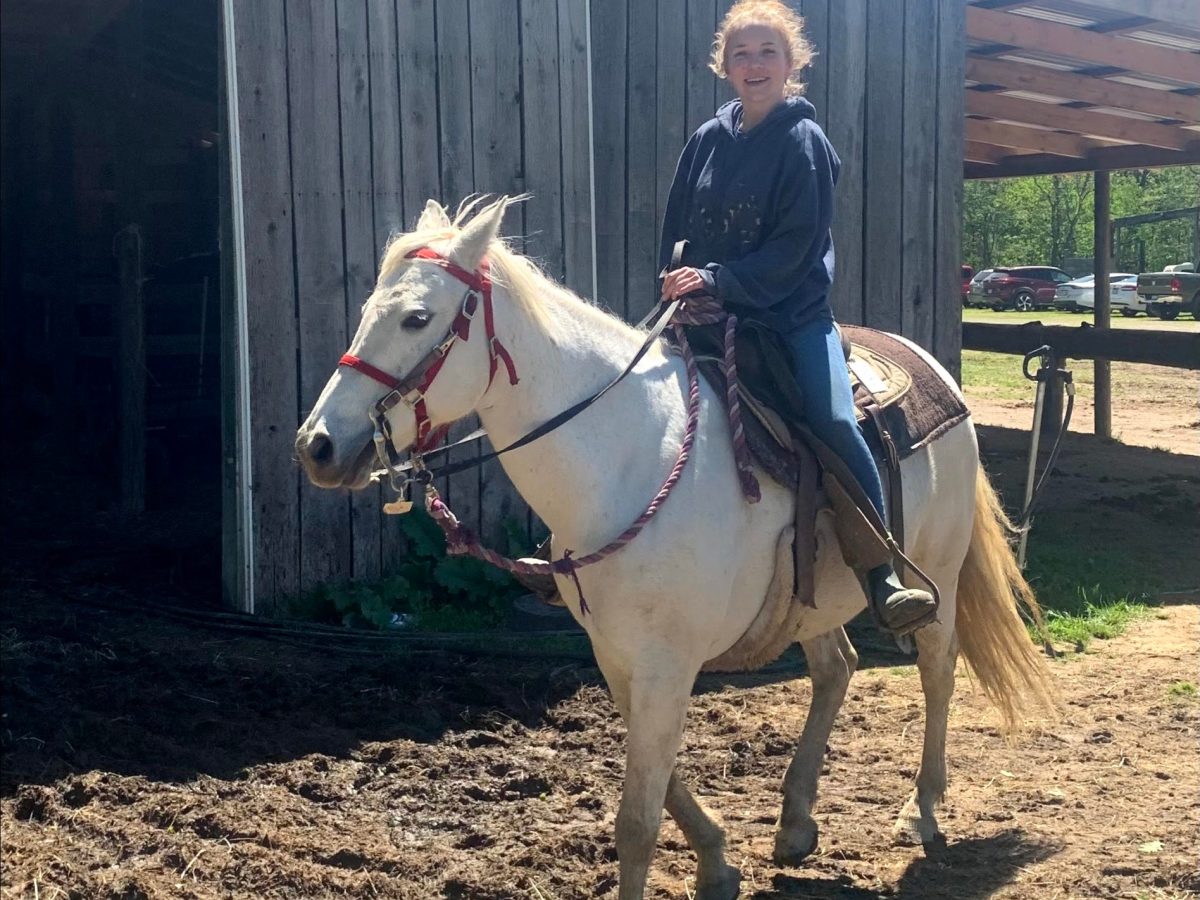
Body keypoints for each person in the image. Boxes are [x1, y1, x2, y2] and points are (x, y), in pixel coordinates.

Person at [658, 0, 936, 637]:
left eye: (767, 53)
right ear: (723, 65)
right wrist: (680, 274)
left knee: (834, 420)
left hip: (789, 316)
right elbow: (677, 226)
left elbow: (795, 248)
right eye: (741, 54)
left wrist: (719, 279)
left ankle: (882, 572)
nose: (753, 65)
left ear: (792, 64)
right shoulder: (707, 140)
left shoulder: (803, 142)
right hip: (706, 312)